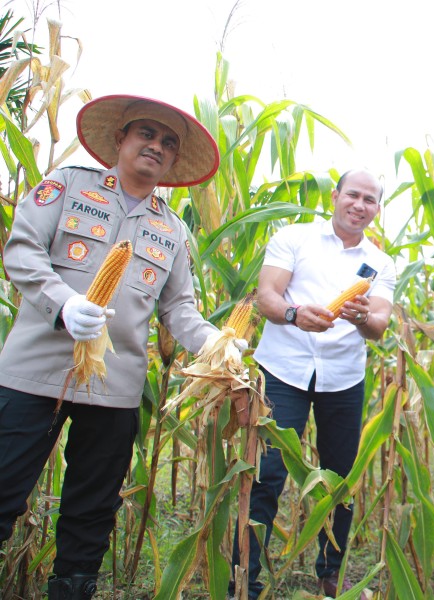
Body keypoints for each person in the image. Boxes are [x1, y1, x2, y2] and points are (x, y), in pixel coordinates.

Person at [0, 95, 230, 599]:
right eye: (147, 133)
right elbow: (21, 250)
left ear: (172, 161)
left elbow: (178, 310)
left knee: (92, 509)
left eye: (169, 143)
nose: (157, 146)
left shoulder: (172, 230)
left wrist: (214, 342)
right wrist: (63, 304)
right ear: (121, 140)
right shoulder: (67, 186)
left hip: (114, 386)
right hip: (34, 371)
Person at [228, 169, 395, 599]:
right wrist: (293, 314)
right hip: (283, 369)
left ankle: (330, 573)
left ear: (377, 209)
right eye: (352, 195)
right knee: (266, 472)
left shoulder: (381, 262)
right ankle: (244, 578)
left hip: (343, 378)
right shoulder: (295, 237)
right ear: (335, 196)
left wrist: (360, 317)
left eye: (370, 200)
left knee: (341, 477)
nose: (359, 205)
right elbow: (267, 295)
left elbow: (378, 325)